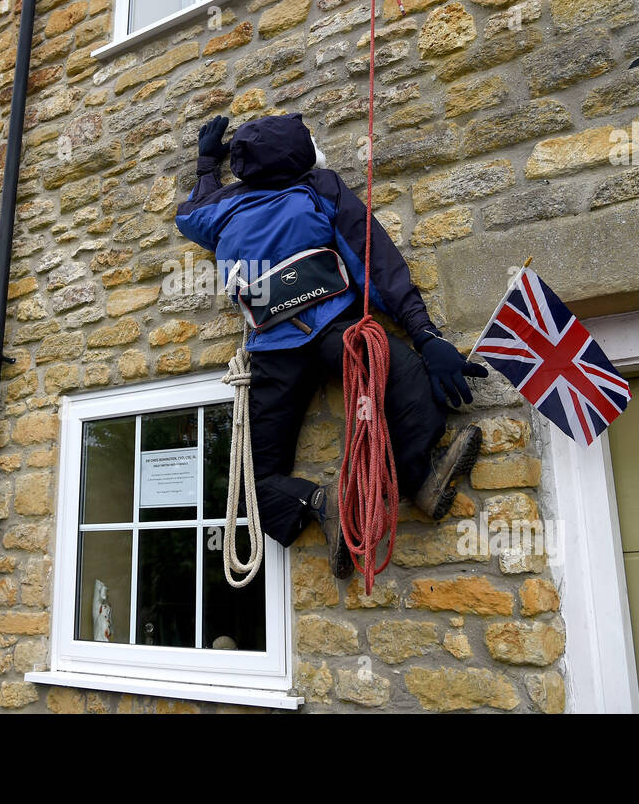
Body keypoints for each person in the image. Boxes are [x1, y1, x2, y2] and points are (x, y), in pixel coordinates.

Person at [176, 113, 488, 579]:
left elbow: (190, 215)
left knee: (395, 370)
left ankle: (419, 480)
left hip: (316, 334)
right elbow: (373, 259)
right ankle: (322, 506)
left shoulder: (228, 203)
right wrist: (421, 332)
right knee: (251, 481)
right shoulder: (316, 187)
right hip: (281, 344)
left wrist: (206, 167)